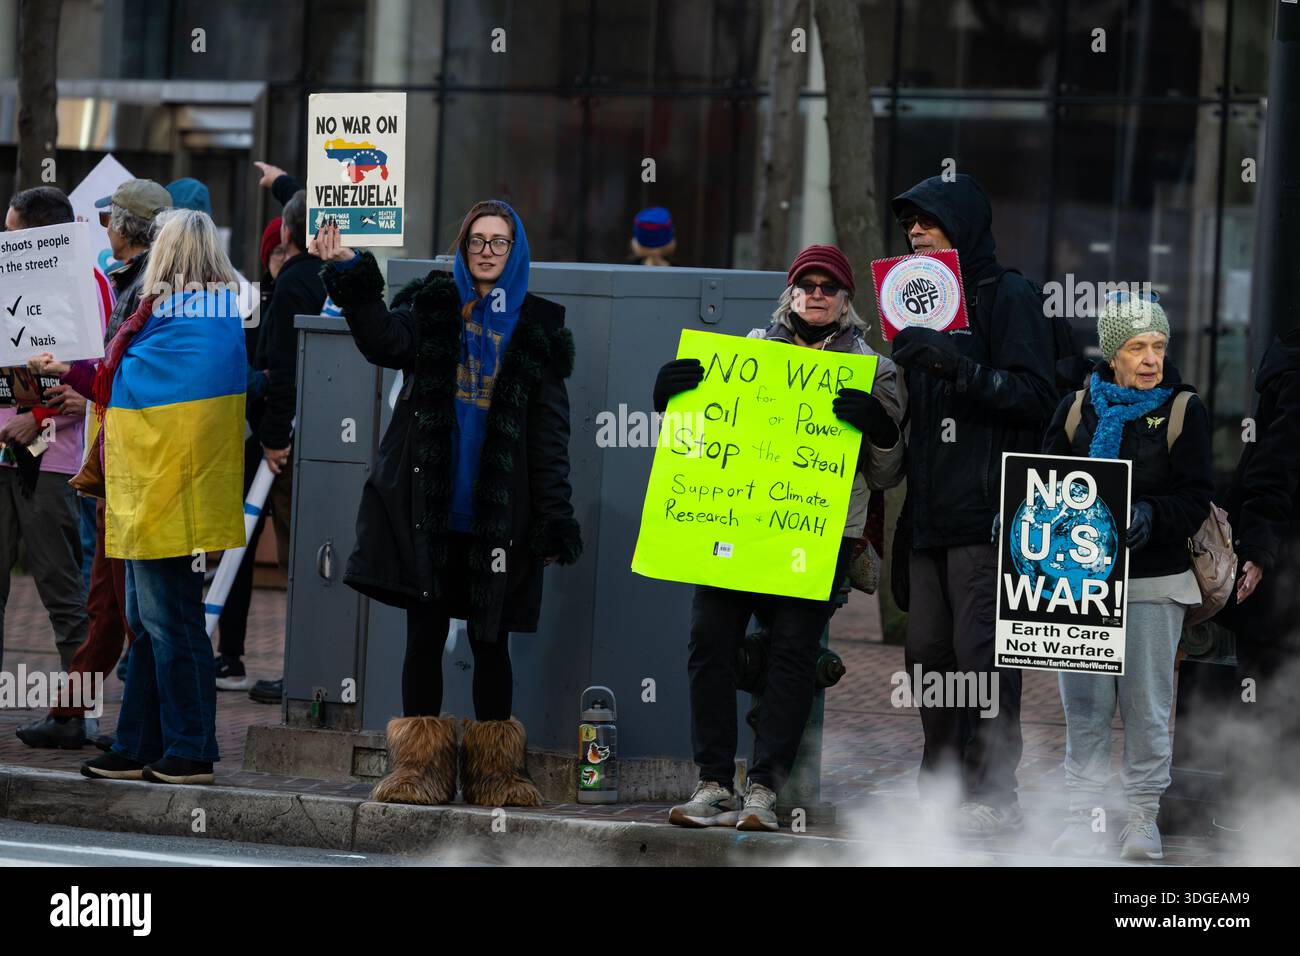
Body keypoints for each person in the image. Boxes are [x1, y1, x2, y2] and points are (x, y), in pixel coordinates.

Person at [313, 199, 581, 807]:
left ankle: (496, 777)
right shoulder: (432, 301)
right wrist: (353, 270)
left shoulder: (539, 327)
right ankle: (418, 772)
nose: (487, 252)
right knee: (424, 634)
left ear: (516, 251)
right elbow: (383, 340)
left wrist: (554, 521)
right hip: (428, 506)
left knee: (492, 641)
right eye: (477, 241)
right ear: (462, 248)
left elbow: (549, 438)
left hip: (500, 519)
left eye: (499, 242)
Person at [659, 244, 906, 831]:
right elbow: (697, 446)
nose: (817, 293)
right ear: (790, 293)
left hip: (819, 534)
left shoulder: (877, 370)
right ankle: (714, 782)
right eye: (807, 284)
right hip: (737, 527)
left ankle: (763, 790)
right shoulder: (747, 354)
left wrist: (879, 429)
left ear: (847, 300)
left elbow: (890, 473)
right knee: (707, 640)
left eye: (829, 286)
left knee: (794, 656)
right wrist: (671, 404)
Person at [888, 174, 1058, 834]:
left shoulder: (1006, 294)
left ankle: (994, 795)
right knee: (927, 655)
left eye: (927, 220)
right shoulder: (920, 306)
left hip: (988, 518)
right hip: (930, 519)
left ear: (962, 224)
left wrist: (955, 366)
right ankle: (941, 791)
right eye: (908, 224)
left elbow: (1035, 396)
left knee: (983, 658)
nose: (914, 232)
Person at [71, 208, 247, 785]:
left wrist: (70, 373)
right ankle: (138, 741)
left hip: (168, 493)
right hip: (153, 489)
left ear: (170, 255)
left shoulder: (188, 318)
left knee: (173, 623)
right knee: (149, 623)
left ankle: (192, 748)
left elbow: (124, 385)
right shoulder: (202, 314)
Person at [1042, 294, 1212, 860]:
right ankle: (1085, 818)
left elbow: (1195, 498)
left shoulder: (1185, 409)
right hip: (1079, 584)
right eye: (1137, 346)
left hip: (1153, 584)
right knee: (1086, 710)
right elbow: (1042, 483)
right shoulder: (1075, 407)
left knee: (1146, 710)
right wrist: (1011, 516)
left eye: (1159, 346)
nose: (1150, 358)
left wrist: (1150, 515)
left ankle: (1141, 820)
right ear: (1112, 353)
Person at [220, 172, 324, 698]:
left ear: (285, 237)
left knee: (294, 558)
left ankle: (300, 676)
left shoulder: (288, 290)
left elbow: (284, 372)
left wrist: (274, 438)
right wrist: (286, 185)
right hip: (325, 437)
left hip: (285, 446)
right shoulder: (337, 277)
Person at [0, 188, 93, 686]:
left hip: (49, 461)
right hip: (1, 454)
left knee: (62, 591)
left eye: (13, 233)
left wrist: (36, 417)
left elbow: (92, 376)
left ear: (41, 237)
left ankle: (77, 712)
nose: (4, 241)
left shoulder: (83, 288)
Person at [1219, 328, 1300, 829]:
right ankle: (1254, 814)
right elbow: (1272, 469)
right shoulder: (1294, 378)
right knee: (1270, 693)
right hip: (1284, 568)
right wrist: (1261, 550)